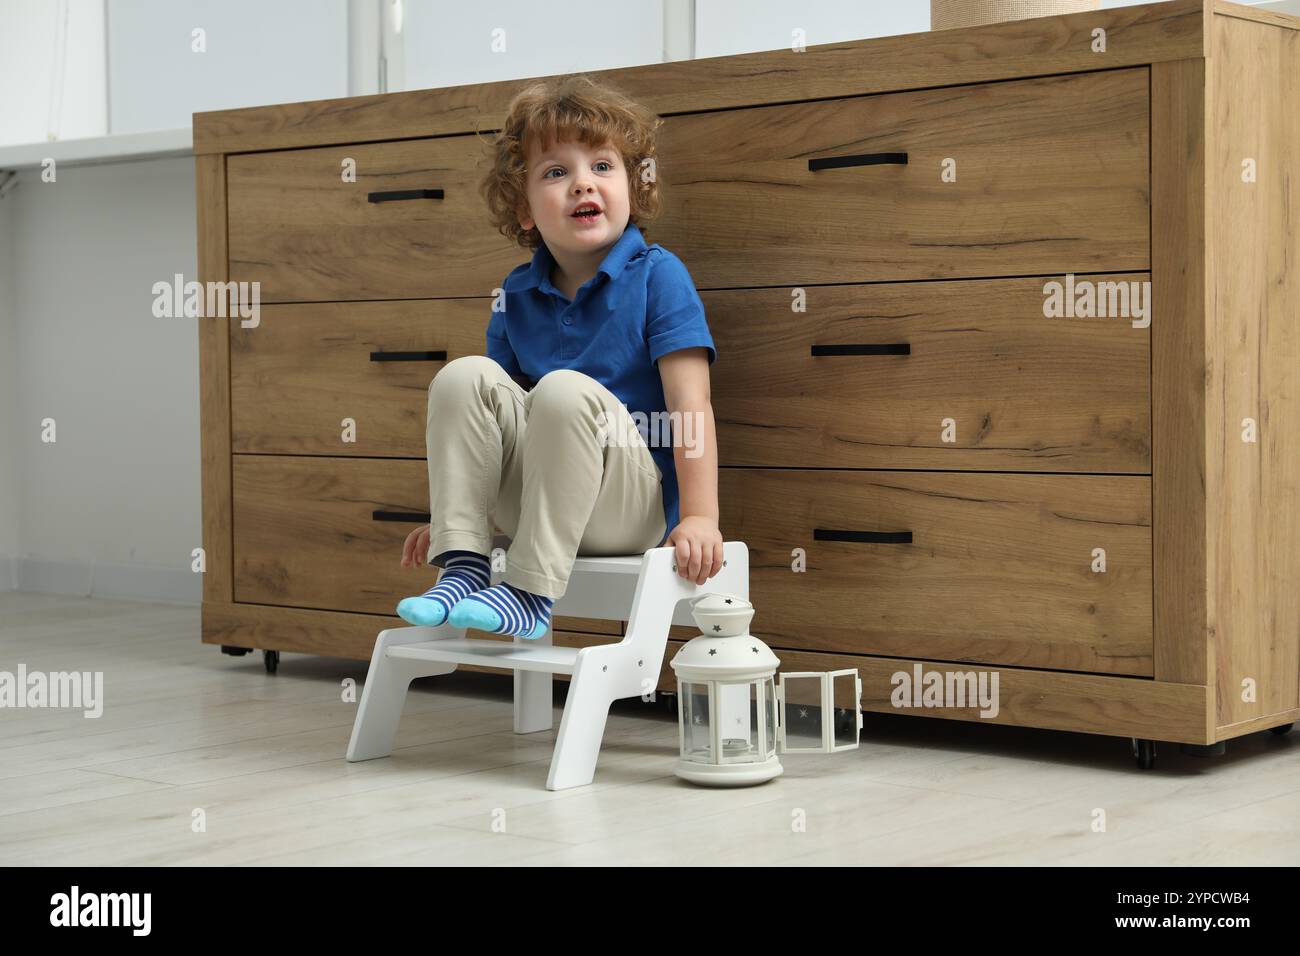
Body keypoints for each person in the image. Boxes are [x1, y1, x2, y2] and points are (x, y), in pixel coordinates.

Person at [395, 74, 723, 640]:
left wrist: (699, 517)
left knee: (563, 389)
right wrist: (456, 517)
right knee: (463, 377)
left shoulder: (658, 276)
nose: (582, 184)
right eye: (555, 172)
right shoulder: (515, 293)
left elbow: (690, 405)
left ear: (632, 188)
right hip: (539, 502)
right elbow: (492, 421)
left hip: (626, 506)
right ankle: (464, 565)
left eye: (601, 167)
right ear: (525, 210)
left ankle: (529, 592)